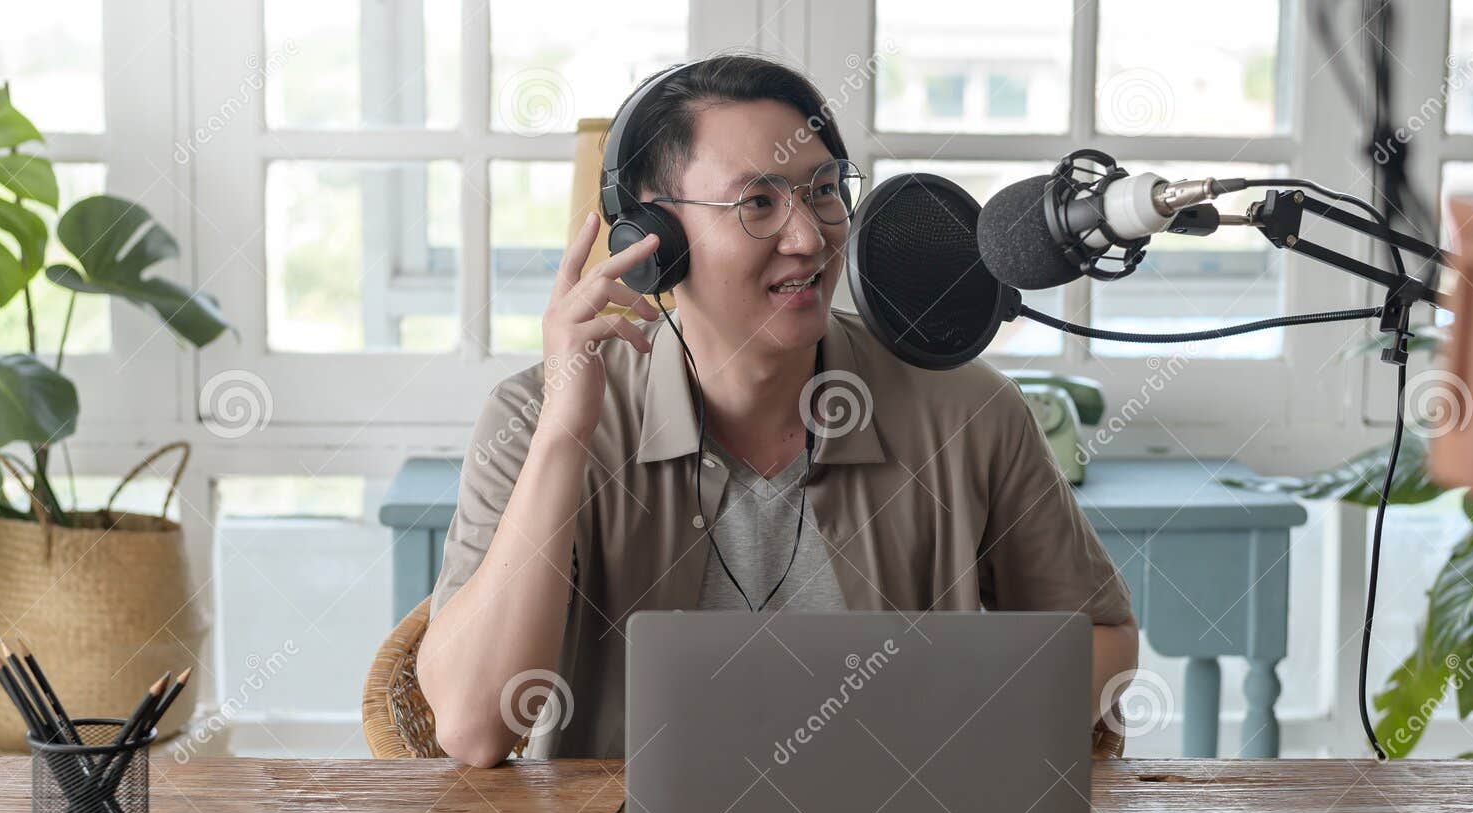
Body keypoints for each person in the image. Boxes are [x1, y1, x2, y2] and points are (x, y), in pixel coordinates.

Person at [416, 52, 1139, 768]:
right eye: (757, 203)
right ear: (653, 243)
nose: (808, 238)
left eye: (824, 191)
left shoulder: (967, 408)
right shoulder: (535, 416)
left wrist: (947, 732)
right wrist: (565, 435)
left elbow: (1104, 644)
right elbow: (476, 728)